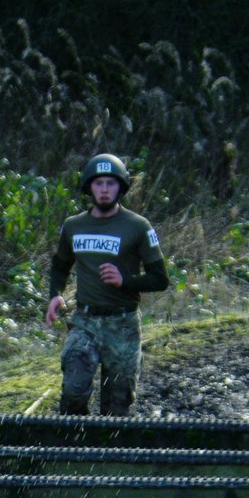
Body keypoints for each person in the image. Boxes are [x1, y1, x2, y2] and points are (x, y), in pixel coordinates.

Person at [46, 153, 169, 416]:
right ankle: (73, 448)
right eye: (98, 183)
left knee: (117, 405)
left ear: (120, 187)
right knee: (73, 389)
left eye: (110, 183)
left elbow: (160, 279)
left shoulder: (138, 226)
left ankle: (107, 452)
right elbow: (60, 264)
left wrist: (125, 281)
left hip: (122, 325)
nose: (104, 190)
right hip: (85, 321)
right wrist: (55, 295)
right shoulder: (73, 226)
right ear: (89, 187)